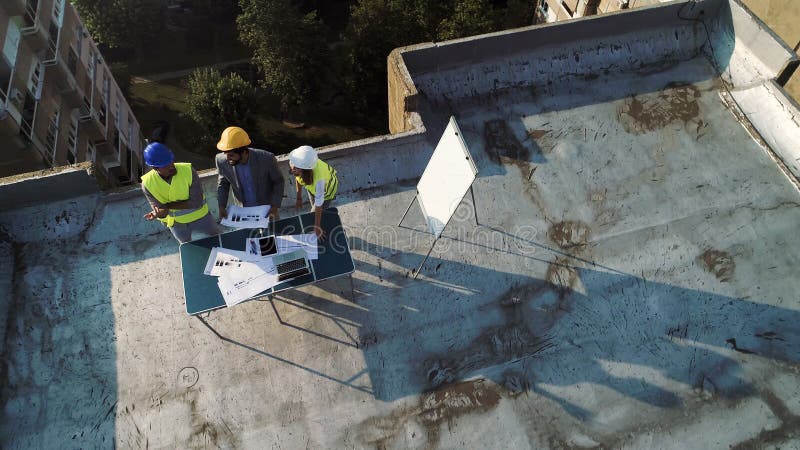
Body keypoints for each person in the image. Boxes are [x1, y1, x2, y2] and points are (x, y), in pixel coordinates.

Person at [141, 142, 219, 243]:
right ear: (155, 168)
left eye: (171, 161)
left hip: (202, 218)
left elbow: (196, 201)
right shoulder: (147, 184)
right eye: (165, 165)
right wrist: (158, 214)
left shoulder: (188, 170)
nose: (171, 166)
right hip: (177, 225)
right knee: (188, 246)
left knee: (217, 238)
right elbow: (162, 213)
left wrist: (167, 206)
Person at [215, 126, 285, 221]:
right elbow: (223, 184)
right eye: (225, 154)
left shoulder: (266, 158)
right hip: (243, 214)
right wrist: (221, 206)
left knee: (275, 234)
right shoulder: (221, 161)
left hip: (268, 211)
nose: (227, 158)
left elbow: (279, 182)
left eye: (231, 155)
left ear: (244, 152)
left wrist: (274, 206)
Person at [289, 145, 338, 240]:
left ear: (305, 170)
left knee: (315, 213)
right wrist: (299, 197)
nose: (292, 169)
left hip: (326, 192)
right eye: (293, 165)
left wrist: (317, 227)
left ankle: (320, 227)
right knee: (314, 211)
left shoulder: (319, 181)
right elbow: (298, 178)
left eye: (296, 168)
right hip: (312, 188)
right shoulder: (295, 162)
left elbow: (319, 205)